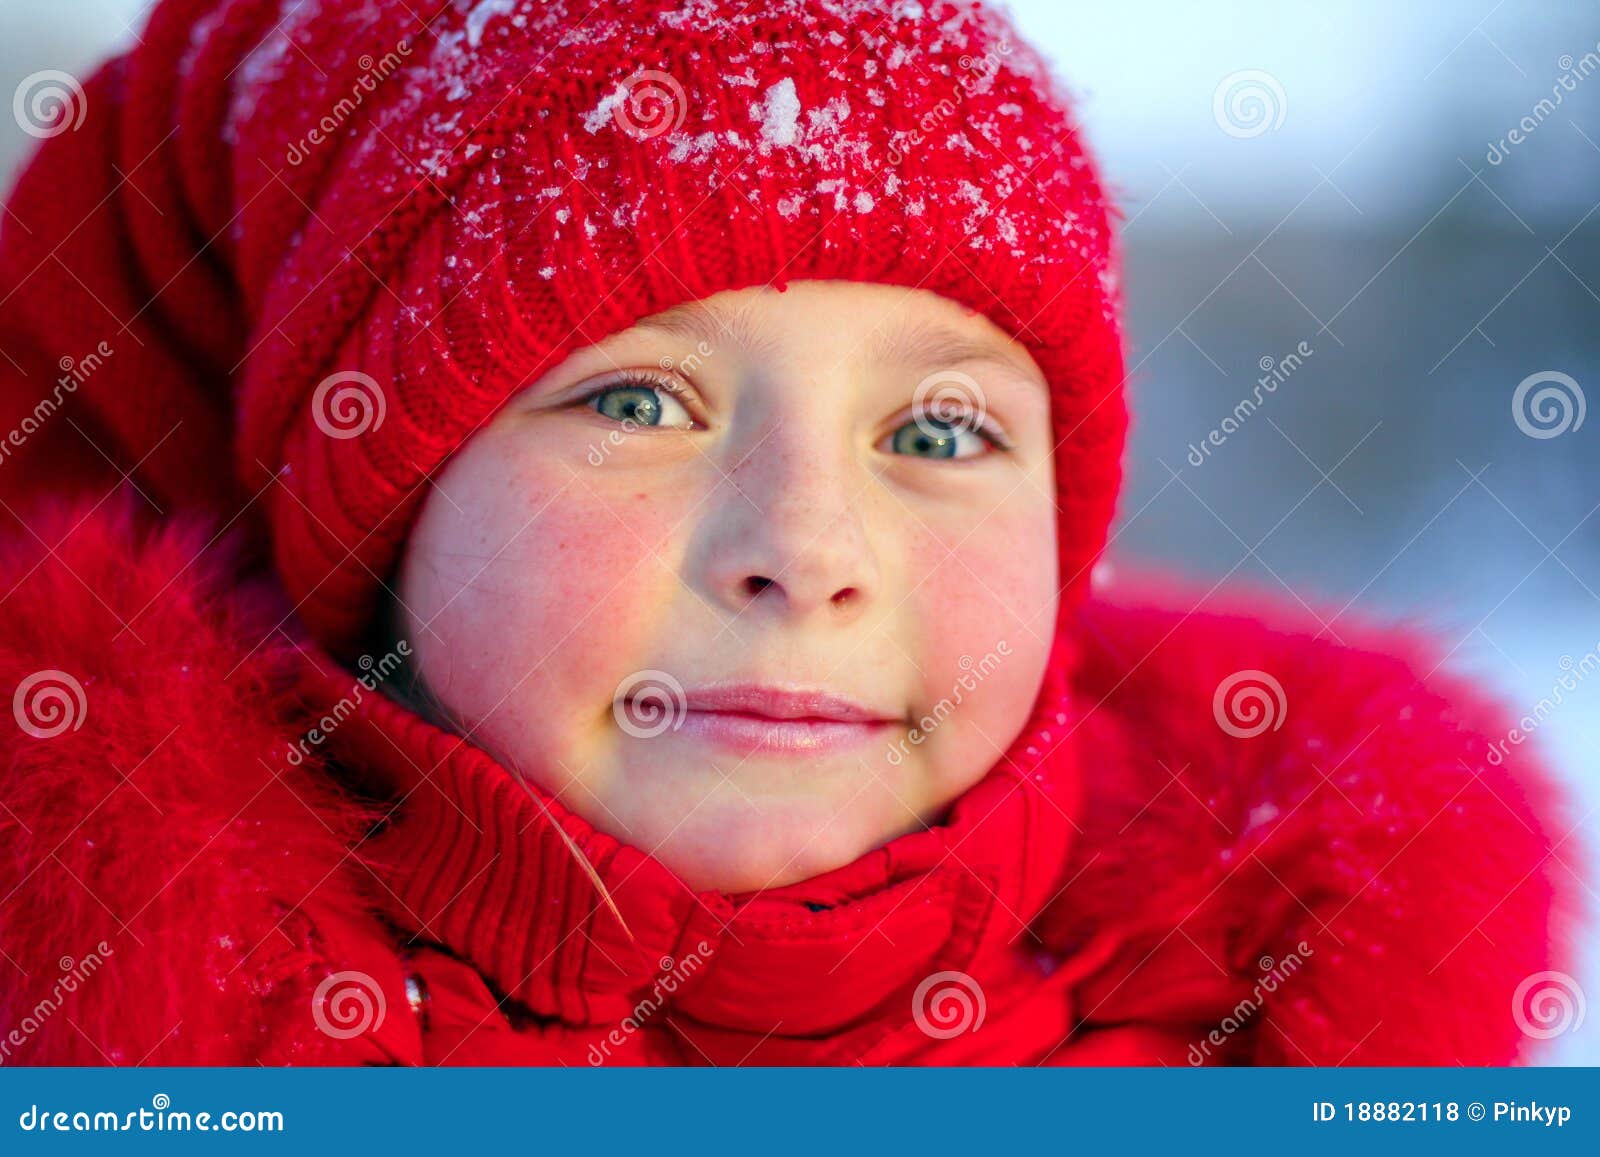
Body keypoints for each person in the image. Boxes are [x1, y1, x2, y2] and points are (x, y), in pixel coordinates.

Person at [0, 0, 1582, 1066]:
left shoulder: (1288, 1041)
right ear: (372, 501)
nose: (807, 548)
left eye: (940, 432)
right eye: (638, 404)